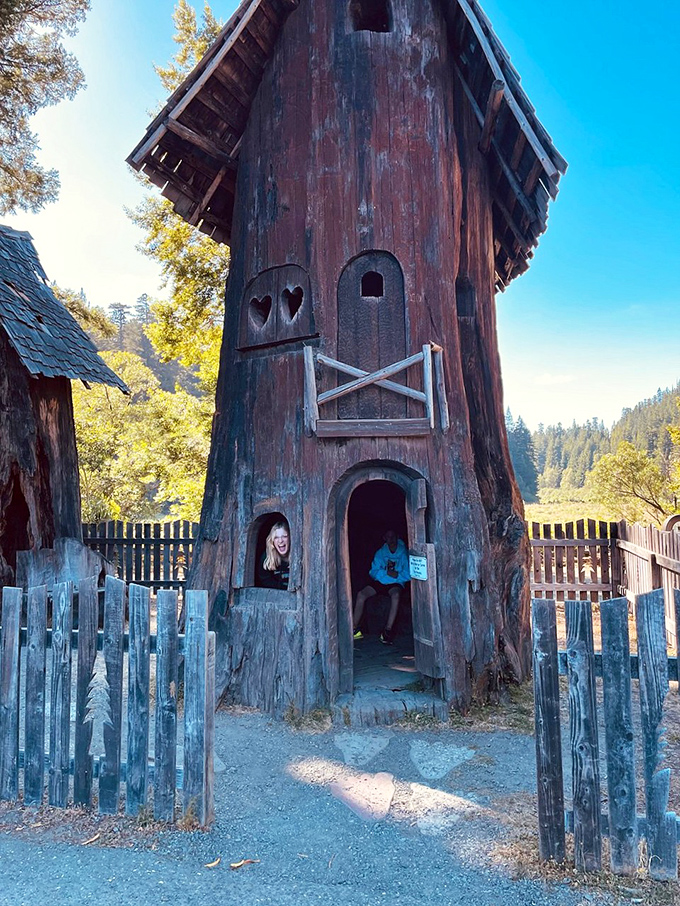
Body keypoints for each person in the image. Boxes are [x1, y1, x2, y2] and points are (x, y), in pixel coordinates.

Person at [352, 529, 410, 644]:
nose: (391, 539)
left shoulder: (404, 553)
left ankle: (387, 631)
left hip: (395, 583)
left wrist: (396, 575)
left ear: (397, 537)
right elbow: (373, 572)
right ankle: (354, 629)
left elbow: (408, 574)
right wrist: (386, 574)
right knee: (361, 594)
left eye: (393, 536)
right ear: (384, 538)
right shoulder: (380, 553)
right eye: (388, 537)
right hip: (380, 581)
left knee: (396, 596)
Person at [257, 521, 290, 590]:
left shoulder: (299, 556)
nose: (280, 541)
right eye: (276, 537)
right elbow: (265, 581)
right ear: (272, 541)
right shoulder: (267, 558)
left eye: (284, 536)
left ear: (290, 538)